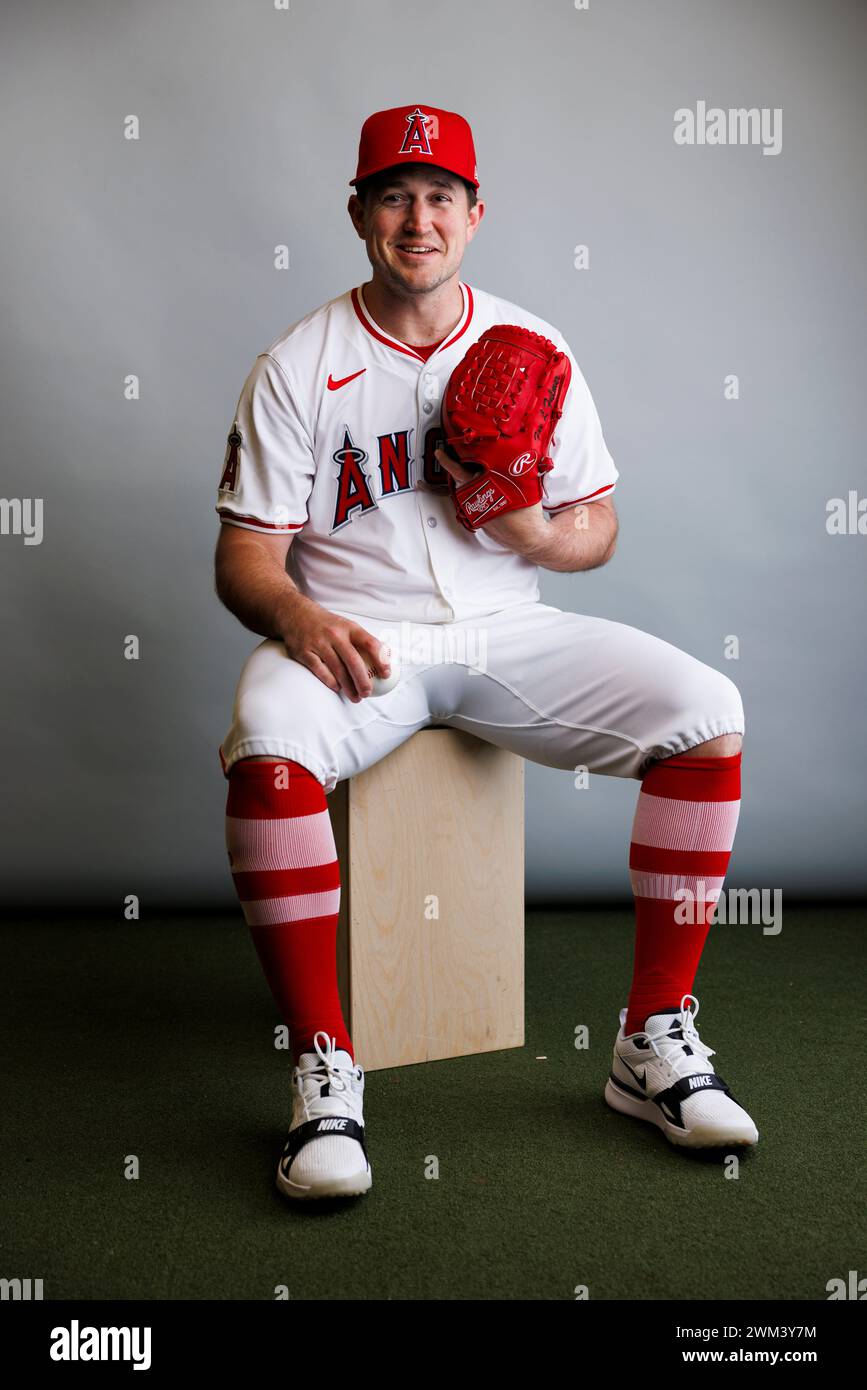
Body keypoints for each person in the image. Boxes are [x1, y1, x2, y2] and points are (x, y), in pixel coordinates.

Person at [214, 103, 757, 1202]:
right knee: (266, 747)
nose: (420, 218)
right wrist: (299, 617)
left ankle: (650, 1042)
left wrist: (541, 534)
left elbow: (596, 527)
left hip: (511, 630)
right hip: (358, 641)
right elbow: (244, 559)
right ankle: (324, 1072)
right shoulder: (298, 363)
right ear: (360, 212)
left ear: (474, 213)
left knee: (708, 712)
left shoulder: (533, 344)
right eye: (396, 195)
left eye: (441, 197)